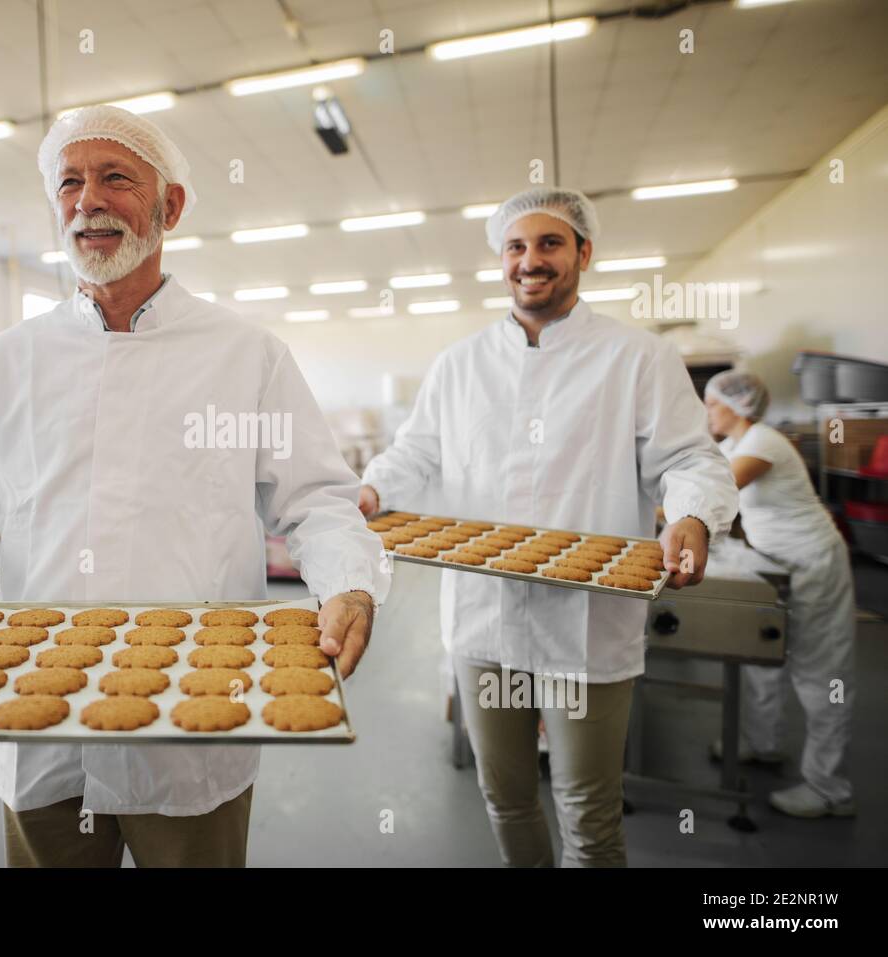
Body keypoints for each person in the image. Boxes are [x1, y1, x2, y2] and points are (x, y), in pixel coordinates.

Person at [0, 105, 388, 867]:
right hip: (44, 719)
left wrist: (350, 583)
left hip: (190, 721)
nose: (87, 201)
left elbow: (315, 502)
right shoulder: (9, 362)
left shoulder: (245, 356)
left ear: (169, 205)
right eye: (69, 183)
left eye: (114, 179)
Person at [359, 187, 738, 867]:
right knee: (504, 797)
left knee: (589, 811)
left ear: (584, 253)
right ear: (501, 260)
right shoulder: (460, 364)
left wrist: (691, 514)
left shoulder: (636, 359)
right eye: (516, 246)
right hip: (484, 620)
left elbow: (689, 457)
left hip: (586, 625)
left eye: (550, 243)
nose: (530, 260)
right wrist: (373, 488)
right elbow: (415, 453)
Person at [704, 370, 856, 818]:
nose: (706, 411)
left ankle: (829, 789)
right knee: (760, 651)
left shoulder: (763, 443)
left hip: (813, 563)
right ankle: (763, 742)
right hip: (772, 561)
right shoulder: (733, 444)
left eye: (711, 404)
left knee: (819, 671)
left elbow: (720, 491)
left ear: (737, 406)